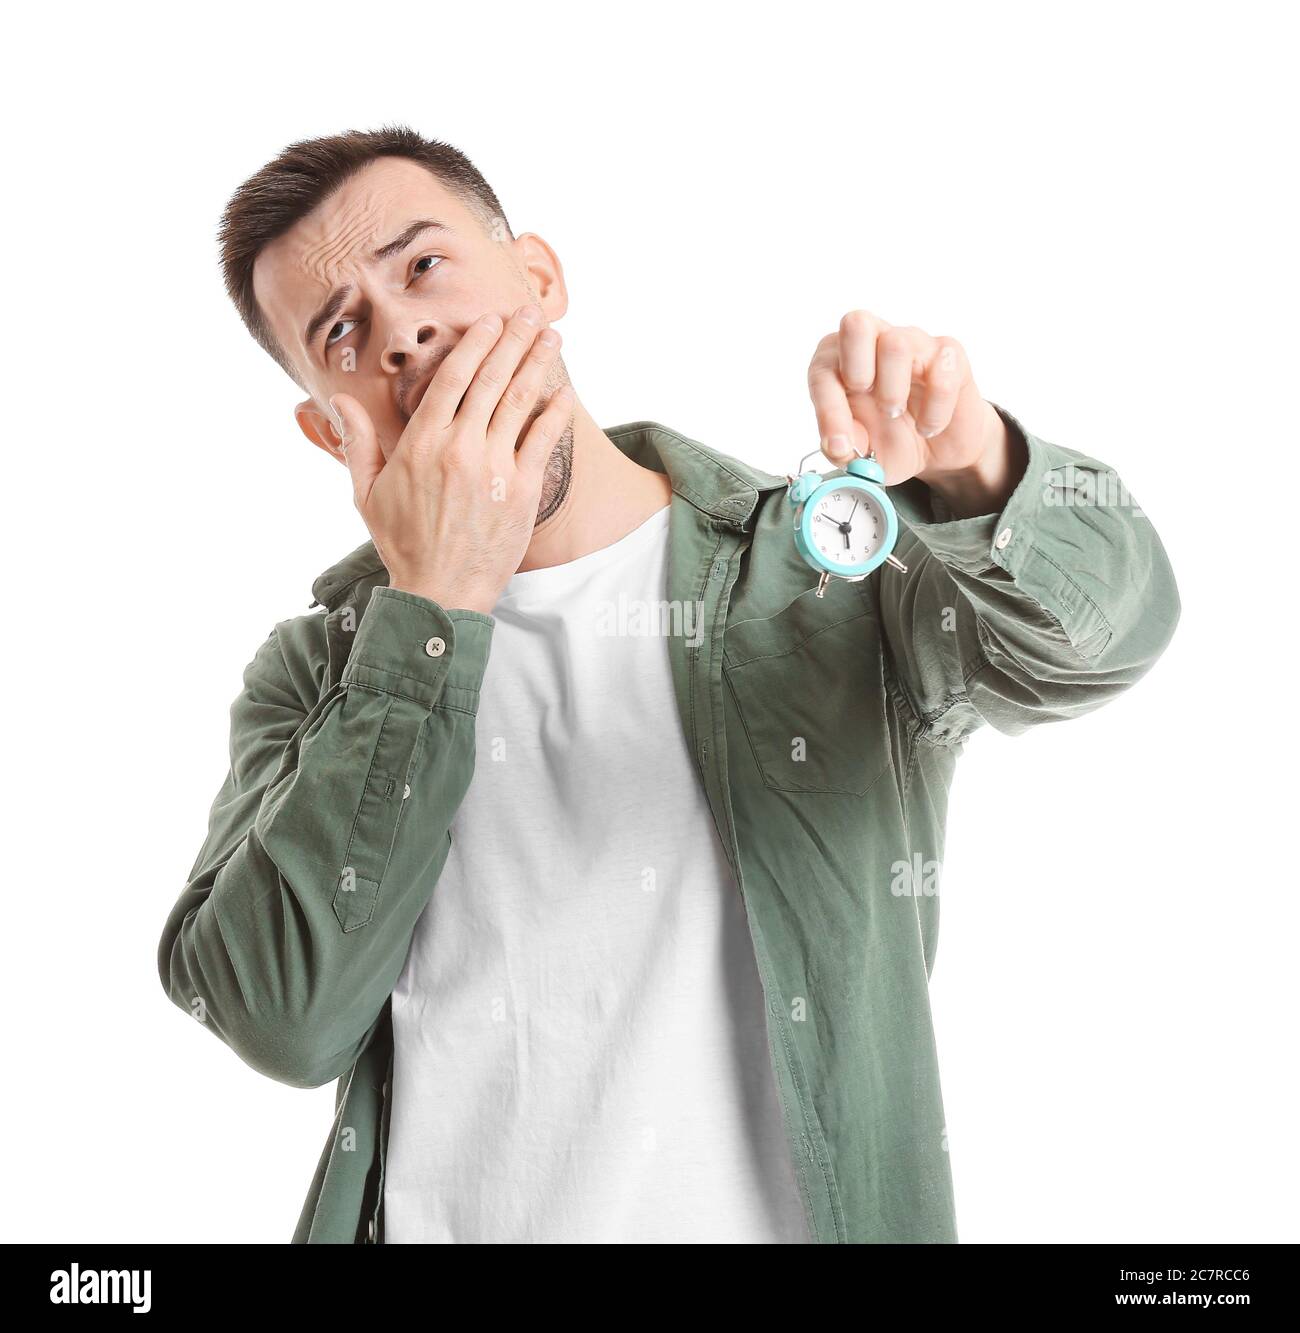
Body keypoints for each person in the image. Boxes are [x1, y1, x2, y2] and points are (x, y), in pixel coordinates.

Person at [158, 126, 1180, 1244]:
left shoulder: (821, 571)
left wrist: (976, 462)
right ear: (325, 426)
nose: (402, 330)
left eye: (423, 265)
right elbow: (277, 1018)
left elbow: (1105, 638)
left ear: (539, 280)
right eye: (341, 330)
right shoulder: (316, 672)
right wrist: (434, 605)